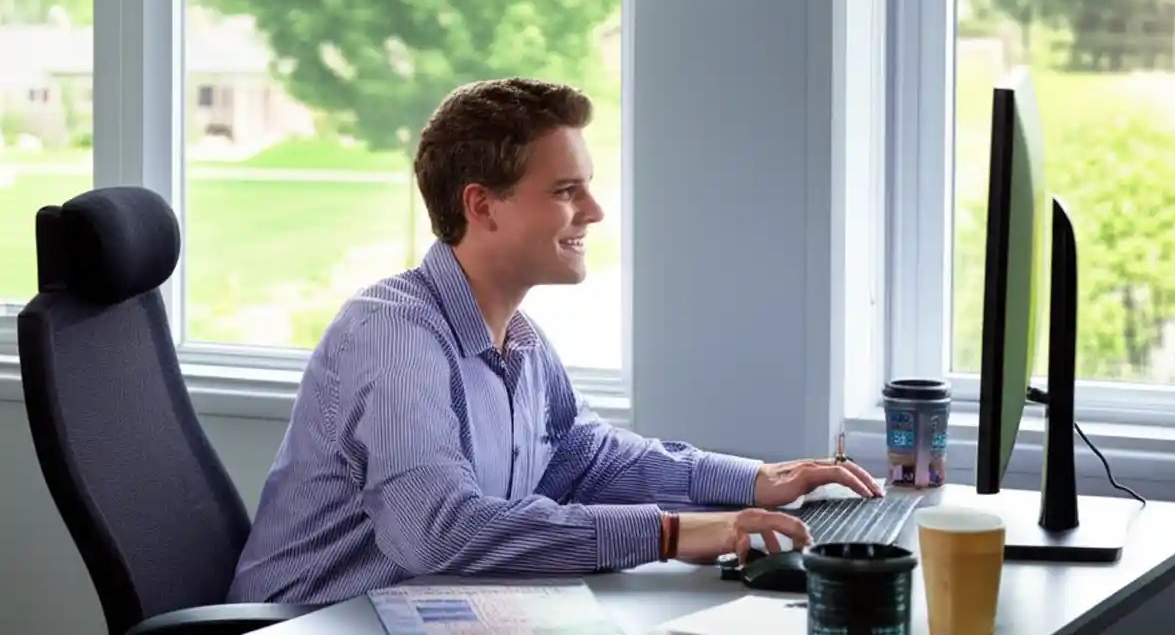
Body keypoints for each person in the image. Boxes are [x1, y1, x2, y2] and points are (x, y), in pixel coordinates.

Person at [227, 77, 882, 605]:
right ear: (482, 206)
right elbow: (437, 531)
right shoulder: (393, 338)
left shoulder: (518, 337)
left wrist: (757, 481)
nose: (594, 211)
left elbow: (586, 458)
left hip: (429, 611)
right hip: (316, 623)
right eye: (568, 191)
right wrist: (672, 533)